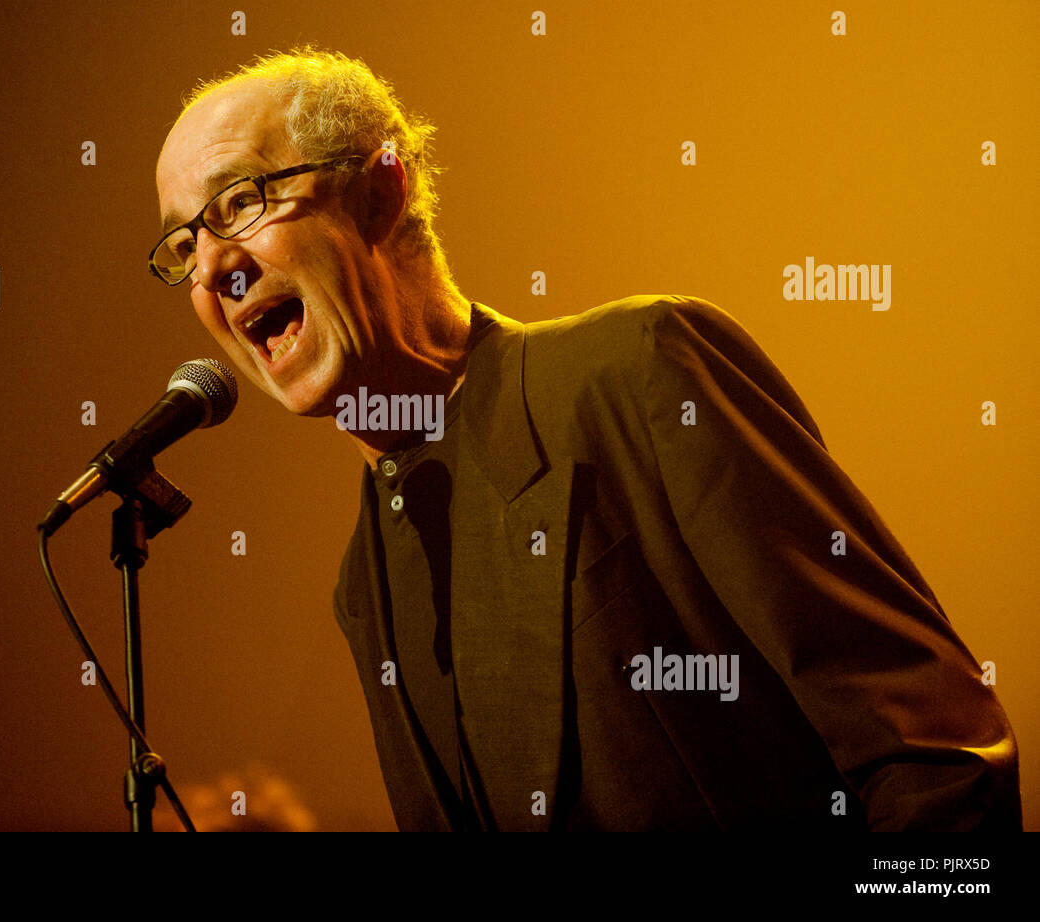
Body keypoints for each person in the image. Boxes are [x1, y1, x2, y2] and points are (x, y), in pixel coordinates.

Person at [150, 47, 1021, 831]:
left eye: (240, 201)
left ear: (382, 191)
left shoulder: (634, 372)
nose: (212, 267)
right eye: (184, 245)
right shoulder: (363, 580)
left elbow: (934, 751)